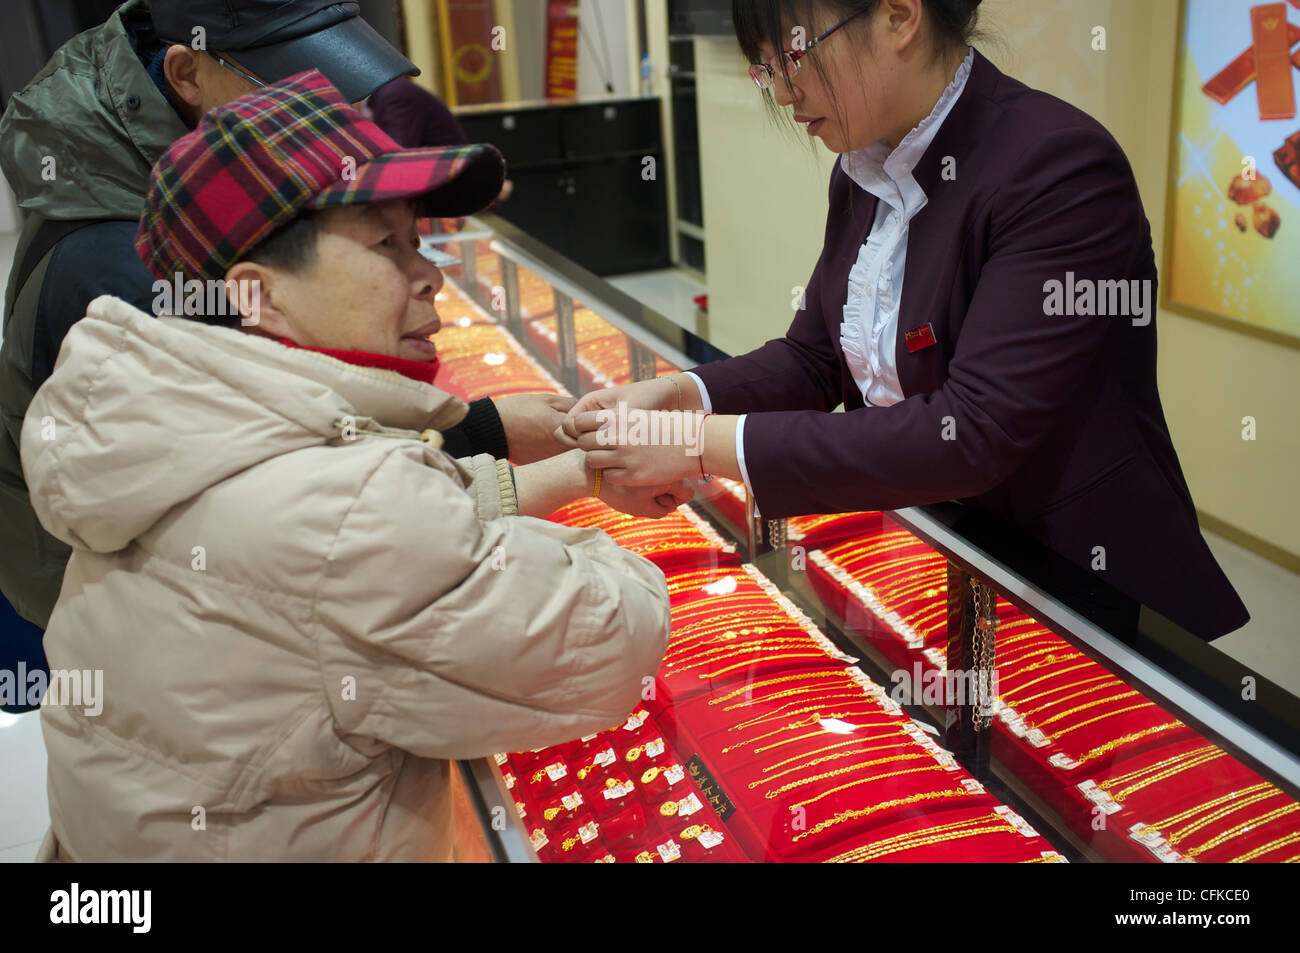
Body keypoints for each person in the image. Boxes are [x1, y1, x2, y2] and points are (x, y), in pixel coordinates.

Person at [21, 70, 686, 861]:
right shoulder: (349, 508)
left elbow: (350, 538)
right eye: (387, 244)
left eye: (420, 239)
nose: (430, 273)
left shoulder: (159, 422)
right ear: (255, 296)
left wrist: (580, 470)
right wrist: (620, 527)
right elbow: (611, 640)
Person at [560, 0, 1249, 641]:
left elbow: (973, 432)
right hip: (951, 555)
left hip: (1076, 582)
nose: (783, 92)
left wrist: (697, 444)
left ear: (898, 16)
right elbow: (816, 358)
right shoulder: (865, 168)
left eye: (794, 58)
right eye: (766, 68)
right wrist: (684, 394)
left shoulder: (1058, 168)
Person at [0, 0, 562, 700]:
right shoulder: (125, 270)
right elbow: (294, 495)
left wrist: (488, 433)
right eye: (297, 81)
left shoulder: (155, 177)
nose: (334, 110)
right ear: (185, 72)